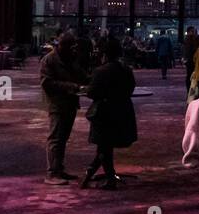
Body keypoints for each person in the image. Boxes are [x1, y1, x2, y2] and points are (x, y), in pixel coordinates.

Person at [81, 38, 137, 190]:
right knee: (106, 146)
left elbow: (92, 92)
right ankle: (100, 174)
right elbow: (130, 89)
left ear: (104, 53)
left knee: (104, 145)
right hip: (123, 111)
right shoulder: (126, 70)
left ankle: (108, 178)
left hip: (104, 113)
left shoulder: (100, 71)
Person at [39, 33, 88, 184]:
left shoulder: (71, 58)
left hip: (69, 103)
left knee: (63, 139)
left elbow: (82, 76)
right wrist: (71, 86)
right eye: (70, 46)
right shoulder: (49, 60)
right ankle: (52, 173)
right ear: (61, 45)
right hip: (56, 104)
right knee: (55, 139)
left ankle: (58, 169)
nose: (73, 49)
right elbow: (47, 83)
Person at [182, 26, 199, 97]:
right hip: (192, 60)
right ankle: (191, 92)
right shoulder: (191, 39)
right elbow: (191, 50)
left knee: (190, 76)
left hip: (190, 60)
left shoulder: (188, 39)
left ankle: (190, 92)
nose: (194, 32)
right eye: (192, 31)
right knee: (191, 76)